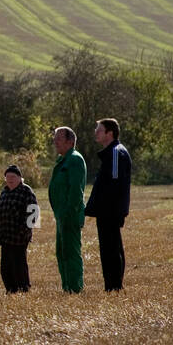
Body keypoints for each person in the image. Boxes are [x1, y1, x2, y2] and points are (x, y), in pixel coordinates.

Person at [84, 118, 131, 291]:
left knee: (111, 249)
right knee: (110, 247)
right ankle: (112, 285)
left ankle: (114, 286)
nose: (96, 132)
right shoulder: (111, 153)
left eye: (99, 129)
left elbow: (115, 182)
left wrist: (110, 207)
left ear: (109, 133)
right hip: (107, 210)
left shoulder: (116, 153)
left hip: (110, 210)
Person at [48, 126, 87, 293]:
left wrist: (68, 212)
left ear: (70, 142)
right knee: (61, 252)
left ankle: (75, 287)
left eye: (59, 139)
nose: (55, 142)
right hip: (61, 215)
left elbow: (75, 191)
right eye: (54, 138)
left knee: (71, 253)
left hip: (69, 214)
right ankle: (67, 287)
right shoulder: (63, 159)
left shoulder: (75, 160)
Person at [0, 164, 38, 293]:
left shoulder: (26, 191)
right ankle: (10, 289)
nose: (10, 179)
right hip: (5, 236)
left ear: (20, 178)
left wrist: (26, 231)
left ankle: (23, 288)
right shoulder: (4, 192)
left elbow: (34, 213)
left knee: (19, 265)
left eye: (13, 176)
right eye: (7, 177)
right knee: (5, 267)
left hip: (19, 238)